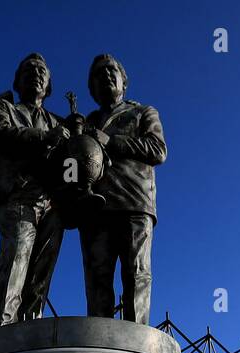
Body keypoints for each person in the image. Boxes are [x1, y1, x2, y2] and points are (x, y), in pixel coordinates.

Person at [78, 53, 167, 325]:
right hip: (95, 208)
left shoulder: (142, 112)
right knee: (97, 277)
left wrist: (112, 141)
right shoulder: (84, 122)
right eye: (98, 74)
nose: (105, 75)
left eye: (111, 70)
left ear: (123, 82)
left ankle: (136, 340)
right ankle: (100, 340)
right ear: (91, 88)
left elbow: (158, 150)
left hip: (134, 203)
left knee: (136, 274)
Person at [0, 52, 68, 330]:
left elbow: (72, 164)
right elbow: (1, 135)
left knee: (42, 272)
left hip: (52, 203)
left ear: (49, 86)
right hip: (18, 196)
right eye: (29, 70)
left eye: (43, 71)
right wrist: (45, 138)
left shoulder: (60, 122)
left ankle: (32, 327)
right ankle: (1, 326)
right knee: (16, 258)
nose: (37, 74)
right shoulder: (4, 107)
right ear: (18, 82)